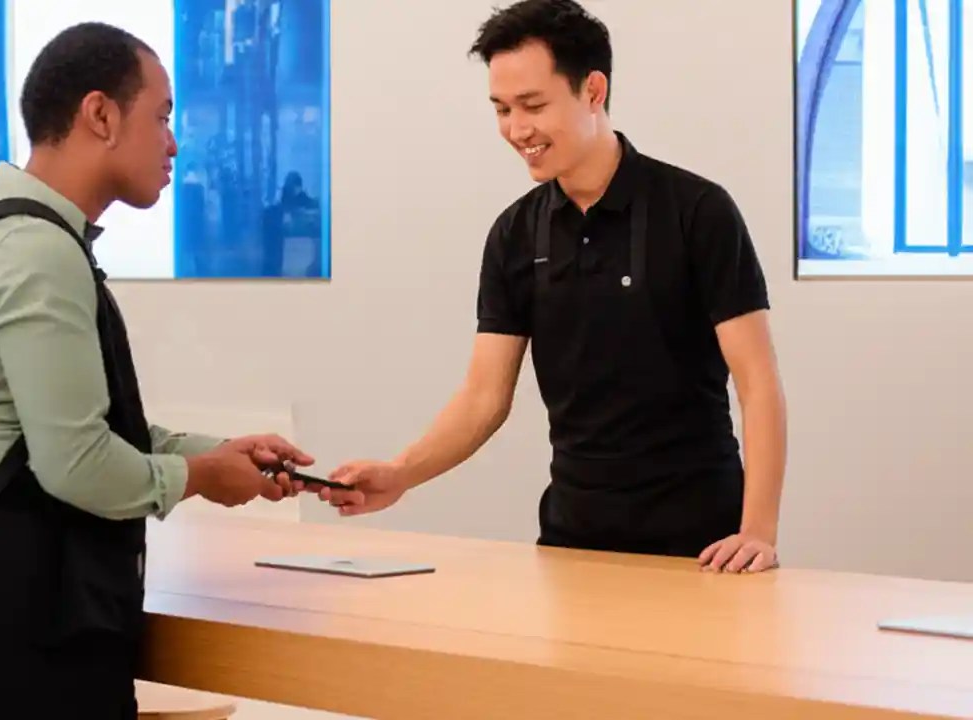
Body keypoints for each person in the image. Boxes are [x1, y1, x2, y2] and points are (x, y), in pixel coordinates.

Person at [0, 23, 312, 719]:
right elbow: (76, 463)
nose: (173, 142)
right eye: (161, 116)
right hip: (36, 619)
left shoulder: (22, 235)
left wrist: (215, 453)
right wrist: (202, 477)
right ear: (100, 114)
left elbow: (80, 427)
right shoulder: (37, 252)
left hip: (24, 609)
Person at [318, 0, 787, 574]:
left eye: (534, 105)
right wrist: (400, 472)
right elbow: (484, 397)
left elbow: (757, 385)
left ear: (593, 90)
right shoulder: (514, 234)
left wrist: (758, 532)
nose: (517, 130)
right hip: (572, 541)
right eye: (501, 109)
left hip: (702, 546)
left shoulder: (698, 211)